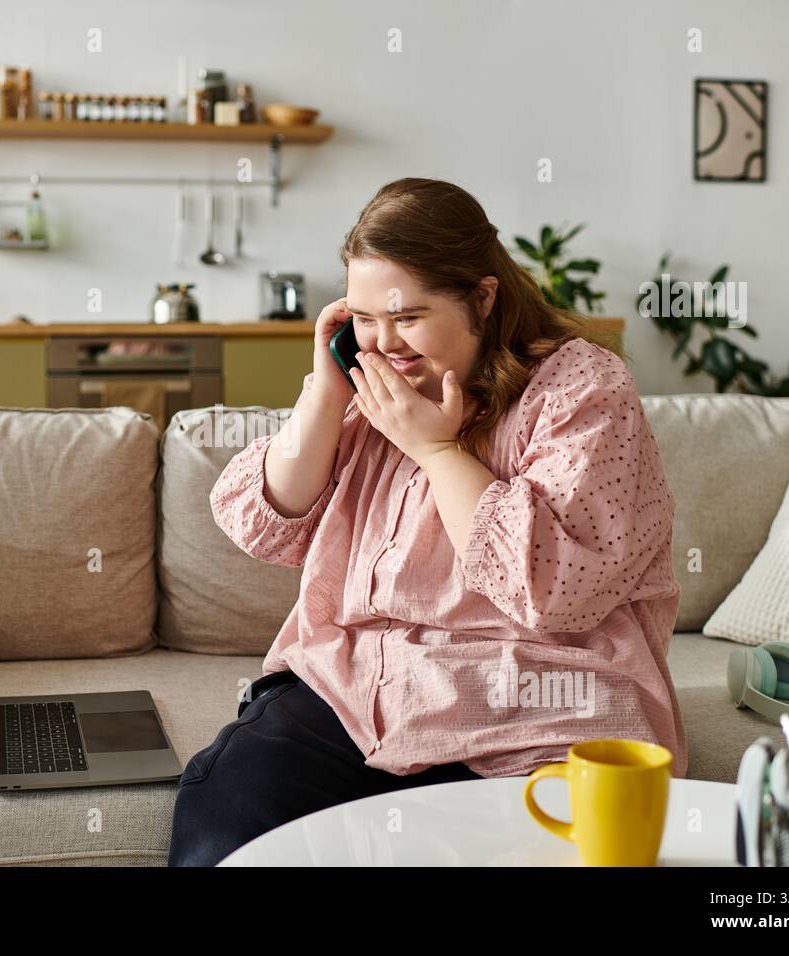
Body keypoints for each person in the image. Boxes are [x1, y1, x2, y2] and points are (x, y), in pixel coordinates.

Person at [167, 178, 687, 867]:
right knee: (227, 814)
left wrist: (437, 450)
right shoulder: (371, 381)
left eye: (407, 317)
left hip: (536, 702)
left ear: (482, 296)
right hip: (355, 690)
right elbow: (263, 522)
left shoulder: (582, 388)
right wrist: (326, 394)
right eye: (364, 318)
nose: (384, 344)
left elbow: (557, 588)